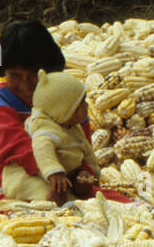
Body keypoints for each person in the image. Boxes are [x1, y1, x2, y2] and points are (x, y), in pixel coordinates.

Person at [0, 19, 70, 206]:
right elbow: (17, 147)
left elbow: (81, 140)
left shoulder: (64, 95)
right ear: (3, 70)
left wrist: (86, 172)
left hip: (69, 179)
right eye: (15, 75)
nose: (25, 85)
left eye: (33, 74)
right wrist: (52, 173)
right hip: (19, 187)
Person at [26, 71, 100, 204]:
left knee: (88, 190)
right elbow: (42, 150)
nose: (87, 105)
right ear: (68, 112)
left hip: (70, 175)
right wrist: (54, 172)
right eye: (82, 102)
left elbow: (88, 153)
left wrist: (94, 174)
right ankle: (56, 204)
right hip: (46, 177)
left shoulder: (74, 128)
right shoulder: (46, 130)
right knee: (54, 191)